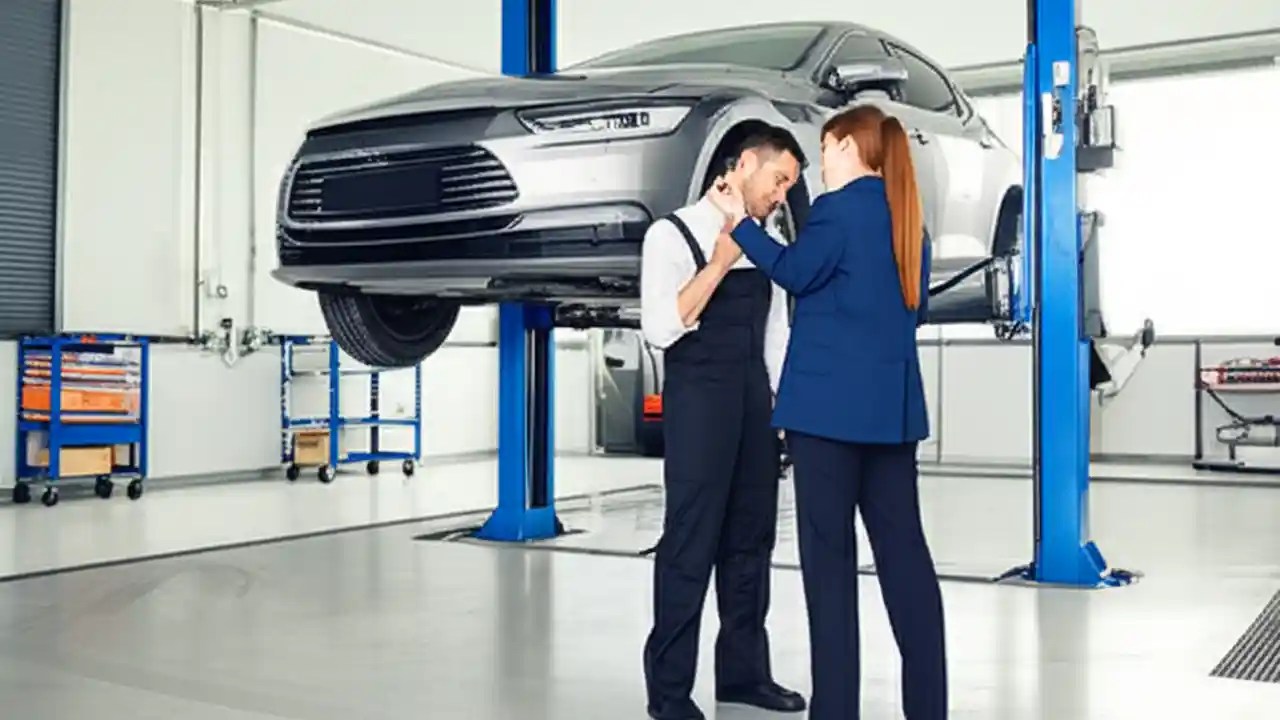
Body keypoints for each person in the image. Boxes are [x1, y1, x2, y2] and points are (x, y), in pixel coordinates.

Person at [707, 105, 947, 719]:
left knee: (830, 571)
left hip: (826, 422)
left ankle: (837, 711)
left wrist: (740, 224)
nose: (820, 165)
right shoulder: (909, 221)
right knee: (906, 564)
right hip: (892, 419)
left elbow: (794, 272)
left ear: (846, 146)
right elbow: (914, 311)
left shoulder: (838, 211)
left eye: (823, 150)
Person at [638, 128, 809, 720]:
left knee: (751, 542)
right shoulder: (672, 234)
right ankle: (668, 695)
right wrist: (719, 262)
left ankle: (743, 675)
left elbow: (776, 334)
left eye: (787, 186)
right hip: (699, 404)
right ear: (744, 164)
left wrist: (784, 412)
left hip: (754, 404)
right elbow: (660, 328)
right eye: (778, 180)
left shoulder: (768, 241)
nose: (781, 195)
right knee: (690, 543)